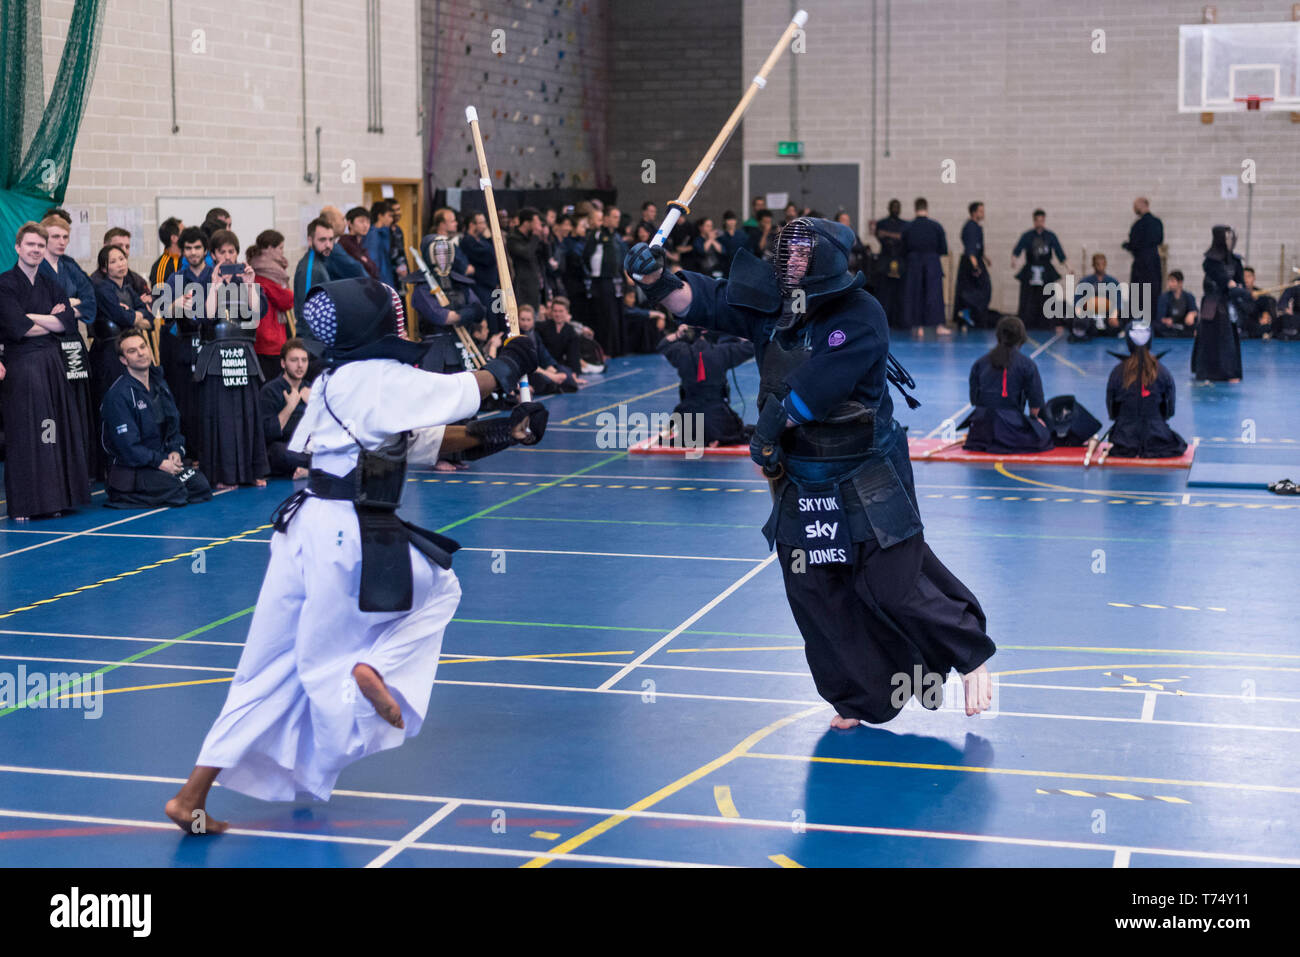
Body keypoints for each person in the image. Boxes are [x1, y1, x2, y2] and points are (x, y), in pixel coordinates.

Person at [163, 276, 547, 832]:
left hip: (299, 530)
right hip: (349, 533)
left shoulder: (335, 380)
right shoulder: (382, 377)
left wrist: (506, 432)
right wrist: (514, 359)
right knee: (438, 591)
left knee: (263, 671)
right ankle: (370, 671)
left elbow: (418, 442)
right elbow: (468, 390)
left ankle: (190, 796)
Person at [625, 217, 995, 726]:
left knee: (893, 584)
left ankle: (971, 655)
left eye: (802, 253)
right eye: (787, 251)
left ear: (826, 257)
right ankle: (859, 696)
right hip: (802, 476)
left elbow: (816, 387)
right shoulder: (774, 302)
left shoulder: (861, 313)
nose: (790, 260)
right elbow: (707, 299)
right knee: (815, 594)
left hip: (866, 471)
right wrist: (657, 281)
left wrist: (765, 436)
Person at [0, 222, 92, 521]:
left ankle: (54, 499)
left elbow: (67, 321)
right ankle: (26, 504)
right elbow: (18, 328)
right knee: (28, 432)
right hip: (23, 367)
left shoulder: (52, 284)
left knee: (51, 430)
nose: (36, 250)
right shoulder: (5, 284)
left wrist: (34, 318)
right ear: (18, 247)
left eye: (40, 245)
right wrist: (45, 322)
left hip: (53, 365)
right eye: (30, 245)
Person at [100, 329, 212, 507]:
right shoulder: (118, 395)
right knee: (177, 490)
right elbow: (128, 448)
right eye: (132, 351)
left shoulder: (159, 383)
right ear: (123, 360)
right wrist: (160, 462)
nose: (140, 353)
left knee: (201, 485)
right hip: (133, 469)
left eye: (143, 347)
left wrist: (175, 451)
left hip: (161, 463)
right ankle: (121, 494)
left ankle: (164, 488)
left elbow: (174, 427)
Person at [38, 216, 97, 476]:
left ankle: (79, 467)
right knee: (54, 405)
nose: (62, 242)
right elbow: (38, 309)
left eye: (65, 237)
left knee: (77, 403)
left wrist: (66, 309)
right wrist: (69, 306)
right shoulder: (35, 268)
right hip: (47, 345)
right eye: (55, 237)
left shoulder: (70, 267)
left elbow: (90, 303)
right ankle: (55, 469)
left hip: (73, 344)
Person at [156, 227, 212, 457]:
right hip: (182, 348)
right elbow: (160, 311)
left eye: (197, 247)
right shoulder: (175, 278)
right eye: (188, 248)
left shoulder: (214, 276)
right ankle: (188, 452)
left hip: (209, 347)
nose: (193, 252)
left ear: (205, 249)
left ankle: (209, 451)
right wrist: (175, 305)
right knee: (185, 402)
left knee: (208, 402)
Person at [961, 316, 1052, 453]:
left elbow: (974, 400)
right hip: (1011, 428)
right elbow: (1035, 405)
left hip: (981, 431)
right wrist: (1035, 422)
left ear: (998, 336)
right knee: (1045, 434)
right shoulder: (1027, 365)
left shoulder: (980, 363)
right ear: (1021, 338)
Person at [657, 324, 754, 447]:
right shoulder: (723, 351)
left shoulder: (680, 352)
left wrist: (678, 334)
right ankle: (716, 439)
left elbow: (663, 345)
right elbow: (751, 346)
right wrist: (736, 331)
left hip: (689, 417)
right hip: (718, 415)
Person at [1105, 324, 1187, 458]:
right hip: (1158, 439)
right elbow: (1169, 410)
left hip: (1124, 440)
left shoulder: (1117, 372)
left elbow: (1112, 411)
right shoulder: (1162, 371)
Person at [410, 234, 487, 373]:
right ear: (430, 256)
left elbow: (479, 308)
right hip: (436, 350)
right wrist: (467, 313)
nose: (442, 257)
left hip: (465, 344)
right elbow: (441, 317)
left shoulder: (460, 282)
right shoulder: (422, 288)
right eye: (438, 253)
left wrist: (472, 312)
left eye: (446, 253)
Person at [90, 244, 154, 411]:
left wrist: (134, 315)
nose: (120, 264)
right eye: (113, 261)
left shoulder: (127, 287)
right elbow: (121, 316)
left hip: (129, 347)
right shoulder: (102, 288)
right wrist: (135, 316)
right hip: (109, 352)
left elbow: (149, 317)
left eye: (122, 259)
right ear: (104, 268)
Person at [1192, 225, 1244, 383]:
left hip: (1229, 304)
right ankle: (1209, 371)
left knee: (1229, 338)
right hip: (1213, 304)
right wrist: (1230, 284)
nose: (1231, 241)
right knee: (1212, 338)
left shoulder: (1235, 260)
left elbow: (1239, 279)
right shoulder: (1210, 261)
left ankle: (1230, 371)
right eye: (1227, 237)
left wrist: (1240, 288)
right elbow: (1221, 278)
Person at [259, 338, 313, 479]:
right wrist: (289, 407)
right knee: (277, 452)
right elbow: (267, 434)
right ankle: (318, 468)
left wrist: (313, 405)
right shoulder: (270, 390)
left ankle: (310, 470)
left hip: (309, 447)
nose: (300, 365)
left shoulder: (311, 389)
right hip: (285, 447)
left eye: (304, 360)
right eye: (294, 360)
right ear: (283, 363)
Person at [246, 230, 297, 382]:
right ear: (269, 248)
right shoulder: (266, 276)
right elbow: (287, 300)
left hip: (263, 337)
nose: (282, 252)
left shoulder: (257, 271)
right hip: (270, 338)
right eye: (280, 248)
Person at [900, 197, 949, 336]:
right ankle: (939, 326)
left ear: (915, 208)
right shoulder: (936, 226)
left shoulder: (908, 227)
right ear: (927, 208)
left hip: (913, 262)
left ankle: (918, 327)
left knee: (916, 294)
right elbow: (943, 249)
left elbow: (902, 249)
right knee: (934, 294)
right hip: (932, 261)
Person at [1012, 209, 1067, 330]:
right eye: (1037, 220)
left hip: (1046, 270)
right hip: (1030, 268)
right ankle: (1025, 322)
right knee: (1028, 297)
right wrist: (1014, 260)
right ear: (1034, 221)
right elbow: (1017, 250)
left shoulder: (1050, 236)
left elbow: (1059, 253)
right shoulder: (1027, 236)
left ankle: (1049, 322)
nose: (1040, 223)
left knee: (1047, 296)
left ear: (1044, 220)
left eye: (1042, 220)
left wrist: (1068, 267)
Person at [953, 201, 992, 328]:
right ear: (974, 213)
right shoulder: (970, 227)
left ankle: (970, 313)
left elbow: (977, 247)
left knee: (979, 290)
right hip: (971, 262)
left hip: (977, 259)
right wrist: (975, 266)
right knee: (981, 289)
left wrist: (985, 258)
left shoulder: (977, 226)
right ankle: (966, 311)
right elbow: (970, 250)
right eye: (981, 211)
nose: (983, 213)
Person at [1122, 197, 1163, 317]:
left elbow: (1134, 244)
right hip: (1154, 263)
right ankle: (1151, 320)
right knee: (1153, 292)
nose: (1134, 209)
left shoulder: (1138, 225)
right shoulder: (1157, 222)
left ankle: (1137, 319)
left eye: (1135, 206)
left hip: (1141, 265)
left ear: (1142, 205)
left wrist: (1127, 245)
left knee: (1138, 294)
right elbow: (1159, 240)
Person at [1071, 253, 1125, 341]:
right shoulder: (1085, 281)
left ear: (1106, 264)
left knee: (1119, 324)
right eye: (1097, 264)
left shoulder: (1112, 281)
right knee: (1079, 322)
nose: (1100, 267)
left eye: (1102, 264)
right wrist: (1080, 316)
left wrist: (1114, 317)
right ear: (1093, 265)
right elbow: (1077, 301)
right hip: (1089, 315)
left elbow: (1118, 301)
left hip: (1107, 314)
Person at [870, 199, 907, 328]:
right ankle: (883, 319)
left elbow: (903, 238)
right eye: (893, 207)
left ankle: (898, 320)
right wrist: (894, 237)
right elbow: (880, 236)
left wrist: (889, 235)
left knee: (899, 293)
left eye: (898, 207)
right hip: (885, 261)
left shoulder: (905, 224)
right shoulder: (881, 223)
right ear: (889, 208)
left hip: (900, 261)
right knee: (884, 293)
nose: (895, 209)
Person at [506, 207, 544, 311]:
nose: (539, 224)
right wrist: (536, 236)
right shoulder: (513, 239)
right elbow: (527, 253)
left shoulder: (532, 239)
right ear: (527, 222)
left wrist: (544, 238)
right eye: (536, 222)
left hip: (535, 286)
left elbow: (546, 256)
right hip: (522, 288)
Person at [337, 207, 380, 280]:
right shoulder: (345, 243)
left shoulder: (361, 243)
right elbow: (362, 268)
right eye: (361, 221)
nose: (366, 225)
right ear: (349, 223)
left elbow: (374, 270)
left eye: (368, 222)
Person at [1154, 270, 1197, 338]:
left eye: (1172, 281)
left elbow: (1194, 310)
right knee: (1156, 326)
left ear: (1180, 283)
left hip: (1183, 326)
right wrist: (1167, 320)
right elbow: (1160, 317)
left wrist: (1192, 314)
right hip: (1169, 327)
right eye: (1169, 281)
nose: (1170, 284)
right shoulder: (1164, 297)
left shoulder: (1188, 296)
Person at [1239, 267, 1277, 340]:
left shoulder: (1260, 293)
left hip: (1255, 323)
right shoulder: (1237, 293)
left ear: (1254, 278)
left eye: (1249, 276)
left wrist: (1265, 316)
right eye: (1244, 276)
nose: (1246, 279)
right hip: (1242, 323)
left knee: (1266, 326)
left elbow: (1266, 308)